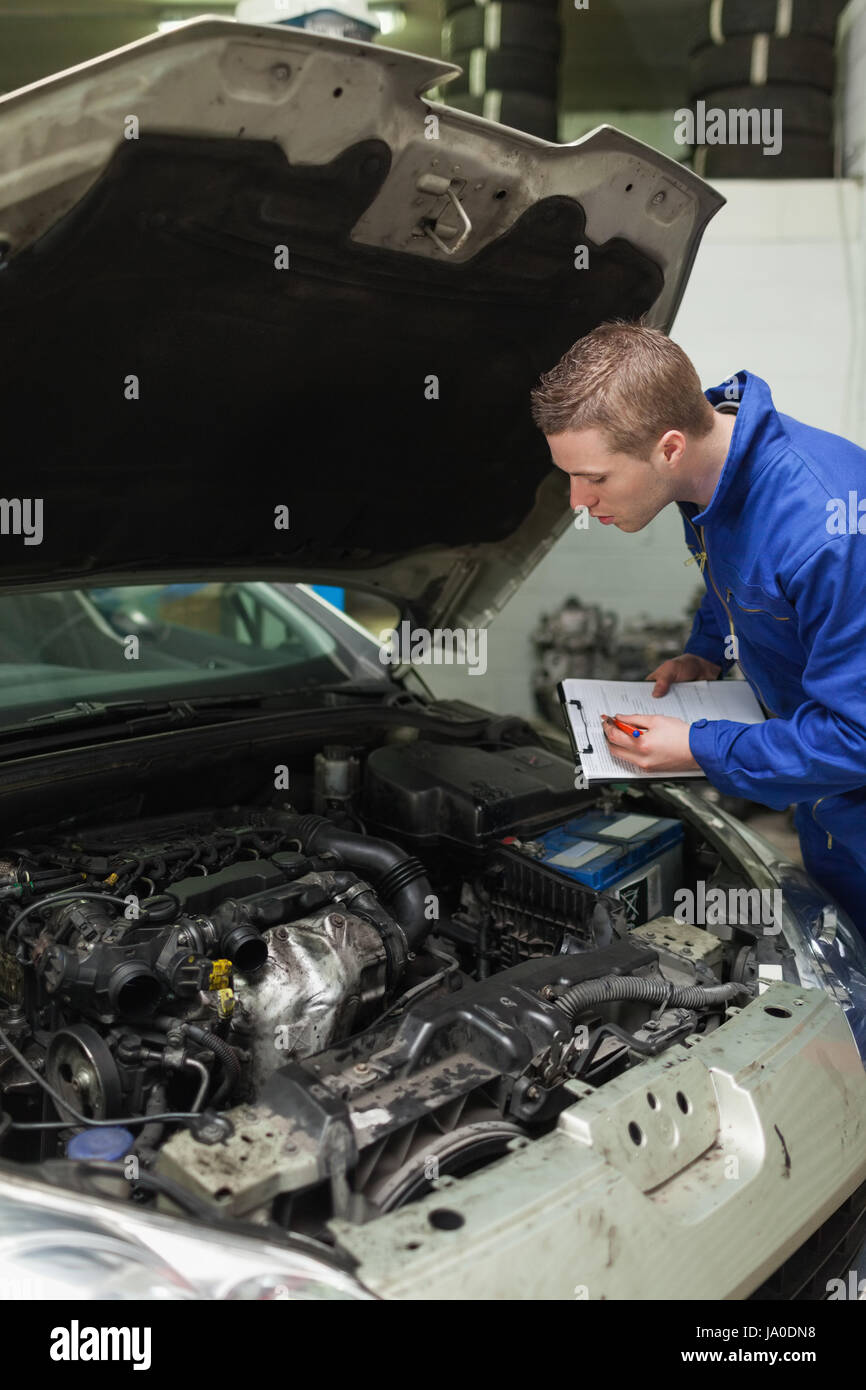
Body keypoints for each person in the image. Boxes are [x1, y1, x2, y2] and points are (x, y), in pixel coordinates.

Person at [530, 321, 866, 934]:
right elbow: (731, 575)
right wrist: (707, 651)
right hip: (826, 808)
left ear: (670, 447)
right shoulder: (709, 475)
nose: (578, 502)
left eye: (596, 478)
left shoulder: (827, 536)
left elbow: (857, 737)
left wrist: (697, 747)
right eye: (570, 475)